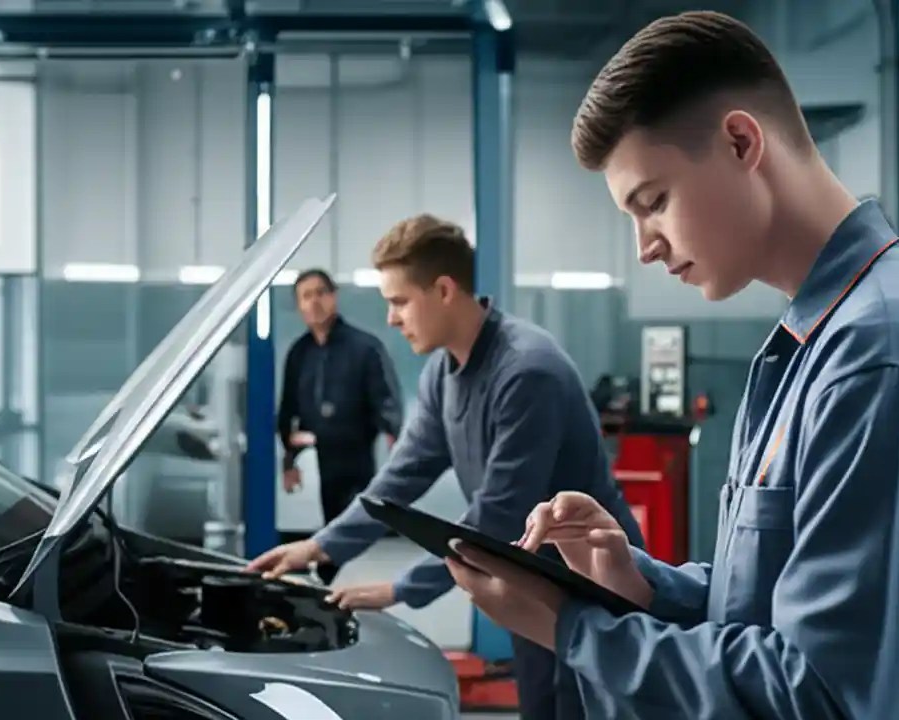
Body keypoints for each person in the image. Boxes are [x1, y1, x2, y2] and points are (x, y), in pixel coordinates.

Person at [442, 11, 899, 720]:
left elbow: (823, 698)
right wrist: (641, 586)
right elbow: (779, 607)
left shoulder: (882, 358)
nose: (645, 245)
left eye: (655, 203)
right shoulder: (812, 342)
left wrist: (571, 627)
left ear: (741, 142)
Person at [246, 215, 645, 720]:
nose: (390, 318)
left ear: (443, 290)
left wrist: (399, 589)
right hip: (531, 585)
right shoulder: (442, 372)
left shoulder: (526, 371)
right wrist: (318, 546)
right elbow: (402, 476)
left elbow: (499, 512)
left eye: (399, 301)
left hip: (597, 587)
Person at [276, 268, 404, 584]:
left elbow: (387, 402)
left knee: (350, 526)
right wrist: (288, 461)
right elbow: (287, 409)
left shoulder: (364, 348)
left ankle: (328, 578)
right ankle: (321, 580)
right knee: (322, 531)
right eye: (306, 296)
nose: (315, 301)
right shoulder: (299, 353)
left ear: (334, 297)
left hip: (354, 456)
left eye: (321, 292)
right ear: (298, 306)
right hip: (313, 458)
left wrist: (395, 439)